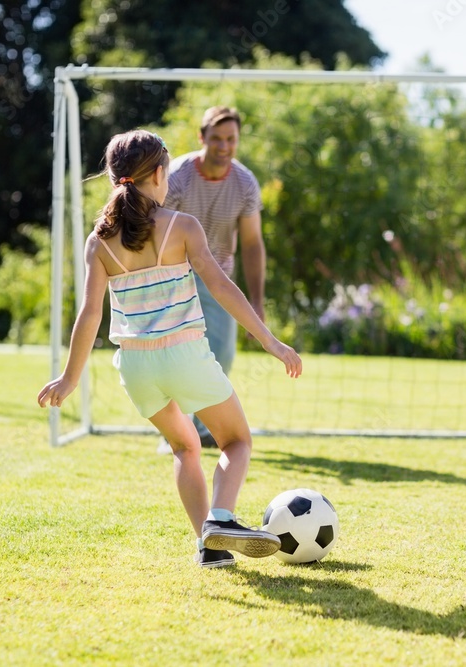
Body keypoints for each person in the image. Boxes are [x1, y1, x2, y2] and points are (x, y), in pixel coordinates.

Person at [37, 130, 302, 569]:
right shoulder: (182, 226)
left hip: (136, 368)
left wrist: (69, 378)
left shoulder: (98, 241)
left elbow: (89, 316)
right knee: (236, 441)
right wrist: (269, 340)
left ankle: (209, 547)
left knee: (184, 449)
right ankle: (221, 518)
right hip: (184, 355)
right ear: (160, 174)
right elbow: (221, 287)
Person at [161, 105, 267, 450]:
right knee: (176, 353)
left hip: (218, 279)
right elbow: (158, 233)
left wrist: (257, 301)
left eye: (231, 139)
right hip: (174, 277)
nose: (224, 146)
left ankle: (204, 426)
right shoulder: (176, 177)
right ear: (202, 137)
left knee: (221, 354)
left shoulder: (245, 182)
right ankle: (178, 432)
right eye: (217, 138)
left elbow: (252, 243)